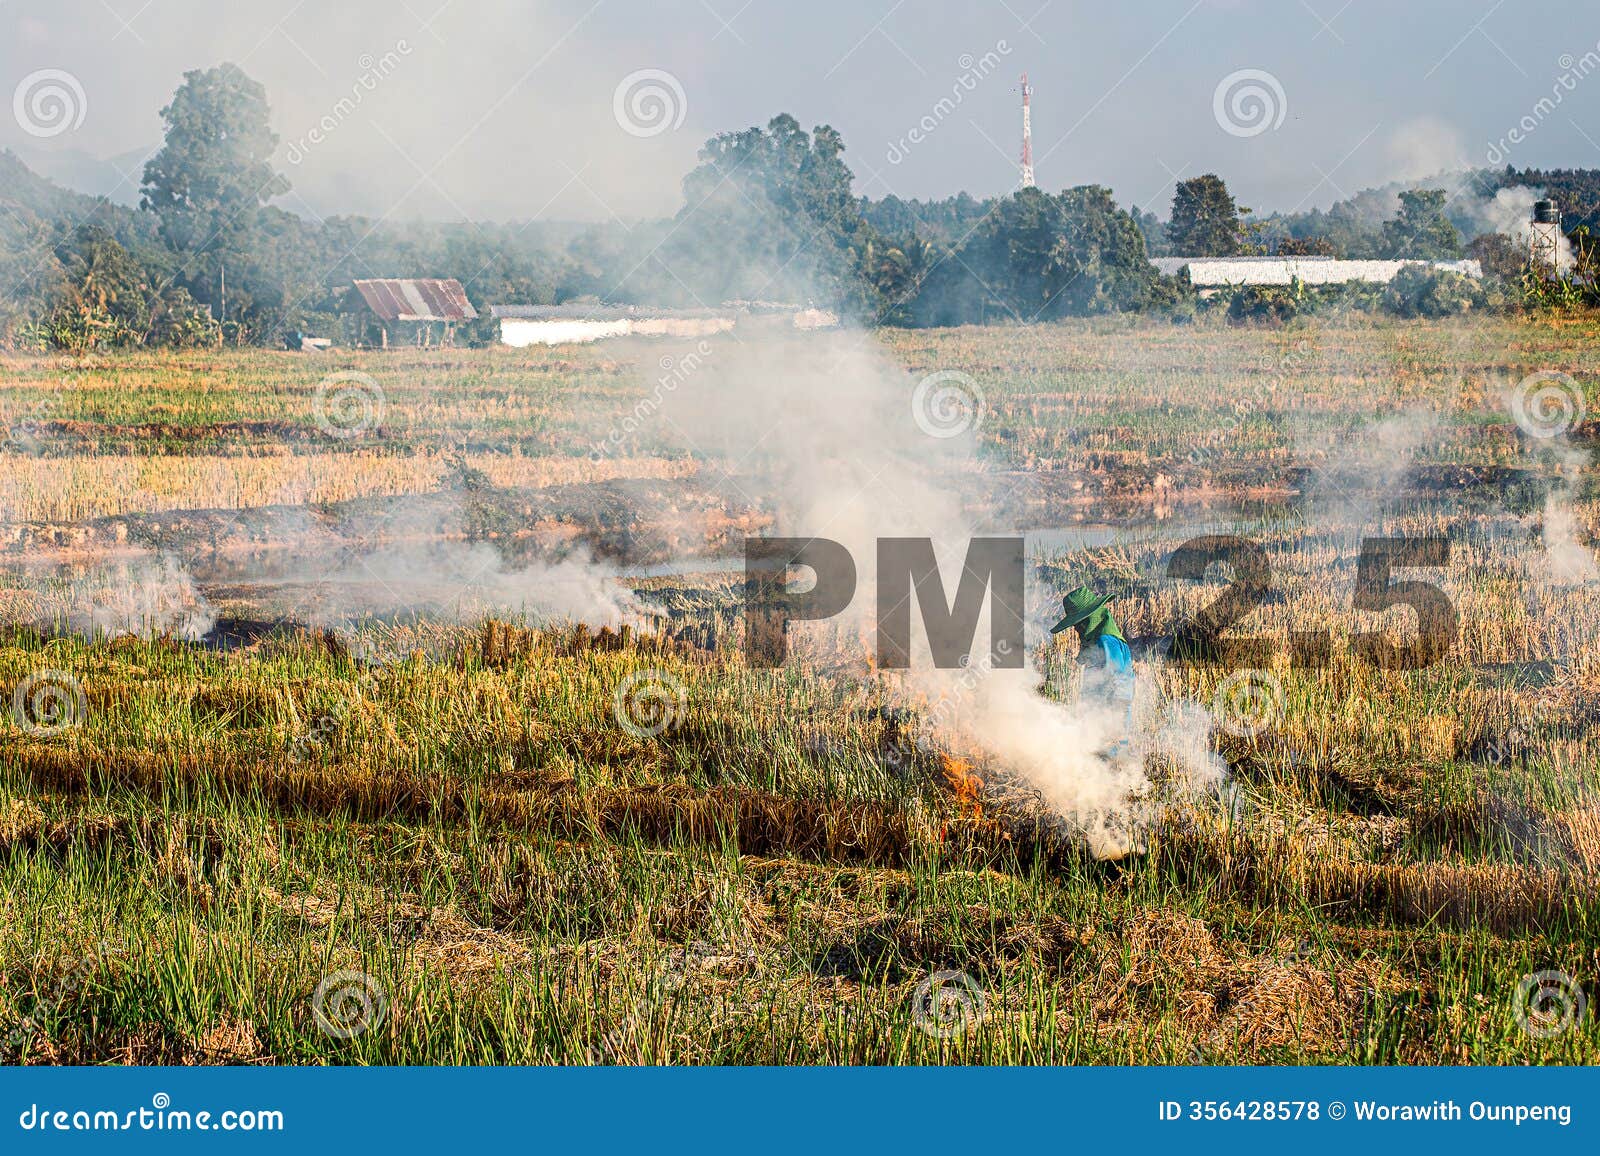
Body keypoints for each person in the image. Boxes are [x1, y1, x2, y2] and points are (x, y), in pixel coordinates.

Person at [1049, 586, 1135, 755]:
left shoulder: (1106, 640)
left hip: (1110, 717)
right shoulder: (1101, 639)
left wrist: (1109, 723)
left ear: (1089, 619)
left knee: (1110, 762)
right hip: (1102, 715)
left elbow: (1116, 682)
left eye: (1078, 623)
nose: (1076, 629)